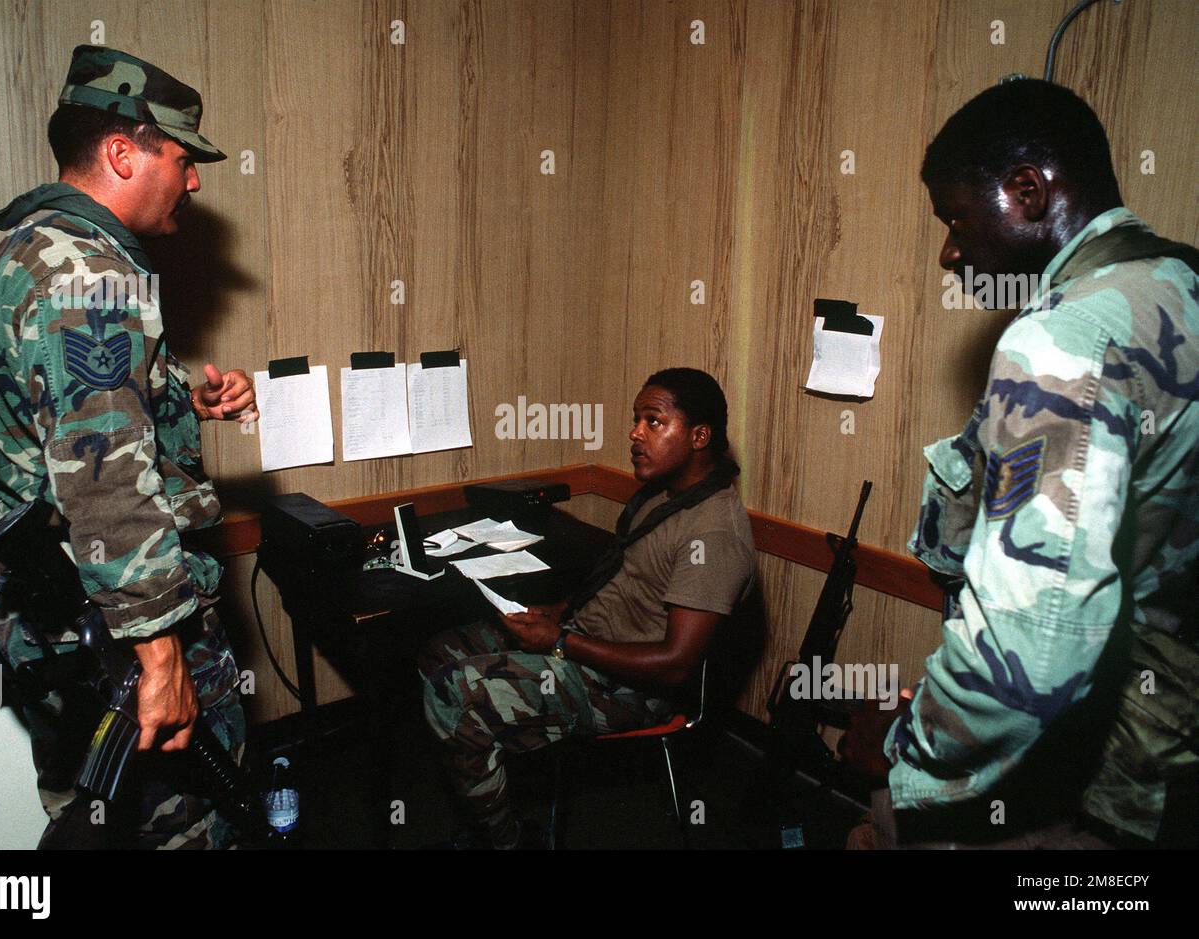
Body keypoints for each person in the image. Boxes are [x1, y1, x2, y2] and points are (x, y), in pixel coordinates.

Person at [840, 79, 1198, 848]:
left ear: (1027, 191)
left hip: (1091, 774)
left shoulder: (1069, 337)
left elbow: (1032, 653)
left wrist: (910, 752)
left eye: (957, 219)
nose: (950, 251)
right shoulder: (1182, 288)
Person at [0, 45, 258, 848]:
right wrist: (162, 656)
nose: (194, 180)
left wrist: (176, 401)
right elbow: (105, 485)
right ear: (123, 152)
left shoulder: (28, 250)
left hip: (49, 615)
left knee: (88, 817)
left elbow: (58, 423)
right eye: (181, 155)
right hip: (118, 633)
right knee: (182, 822)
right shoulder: (93, 279)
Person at [419, 367, 757, 848]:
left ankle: (504, 840)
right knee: (439, 652)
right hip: (583, 640)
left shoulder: (714, 534)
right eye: (637, 419)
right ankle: (486, 785)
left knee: (456, 690)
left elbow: (676, 667)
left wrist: (558, 642)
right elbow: (626, 582)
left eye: (654, 422)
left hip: (631, 689)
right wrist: (558, 615)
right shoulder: (664, 495)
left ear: (700, 436)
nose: (636, 434)